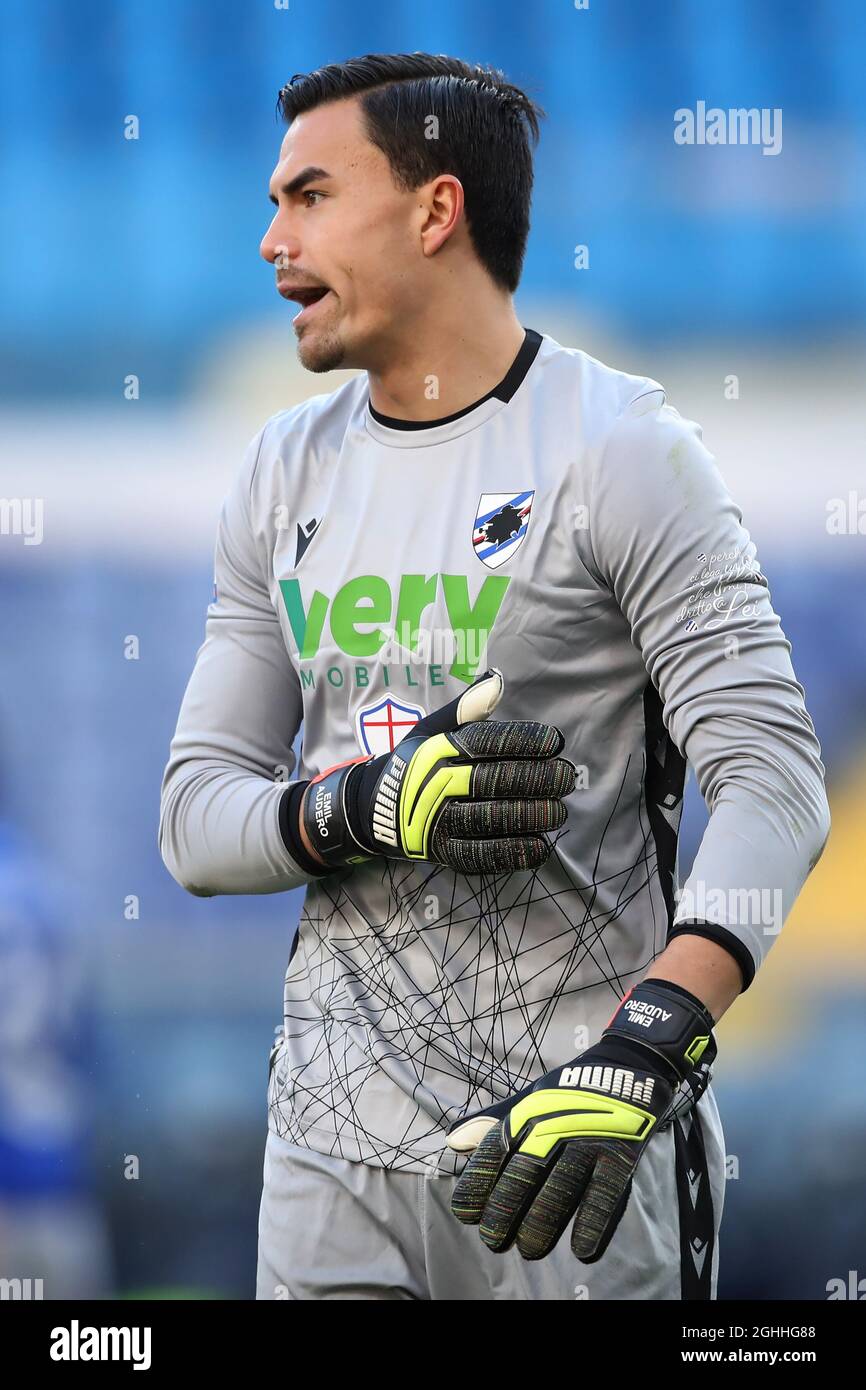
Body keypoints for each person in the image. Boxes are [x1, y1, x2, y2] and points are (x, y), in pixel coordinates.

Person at [159, 53, 830, 1301]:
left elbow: (772, 775)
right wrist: (358, 806)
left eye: (307, 195)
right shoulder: (278, 472)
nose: (269, 240)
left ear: (434, 210)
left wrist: (649, 1045)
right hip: (328, 1156)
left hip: (570, 1157)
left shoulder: (620, 450)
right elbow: (196, 821)